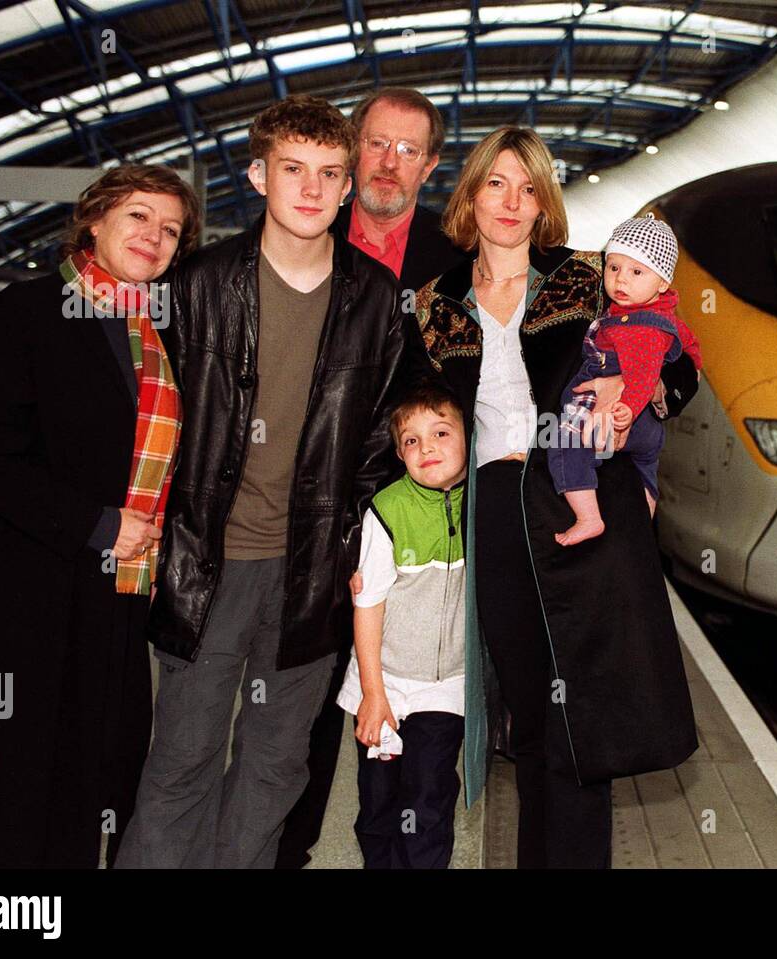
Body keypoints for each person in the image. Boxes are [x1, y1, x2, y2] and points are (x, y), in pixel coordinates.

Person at [115, 94, 427, 869]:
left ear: (351, 187)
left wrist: (359, 545)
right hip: (207, 565)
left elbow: (381, 441)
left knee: (276, 765)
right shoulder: (196, 285)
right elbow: (147, 420)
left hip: (313, 573)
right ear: (258, 176)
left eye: (330, 173)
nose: (313, 190)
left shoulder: (378, 302)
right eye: (293, 170)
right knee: (182, 757)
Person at [414, 126, 701, 868]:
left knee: (582, 724)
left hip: (577, 502)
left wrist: (636, 395)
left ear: (545, 204)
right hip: (493, 511)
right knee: (529, 719)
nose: (513, 202)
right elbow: (413, 414)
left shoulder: (590, 278)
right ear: (471, 193)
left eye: (530, 187)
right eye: (497, 184)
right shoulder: (434, 300)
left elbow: (679, 362)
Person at [0, 164, 199, 868]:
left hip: (116, 590)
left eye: (169, 230)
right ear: (94, 219)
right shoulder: (22, 315)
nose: (153, 237)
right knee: (17, 765)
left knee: (91, 759)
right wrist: (102, 526)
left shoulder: (154, 333)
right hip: (25, 586)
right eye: (138, 217)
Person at [277, 86, 468, 870]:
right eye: (377, 144)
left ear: (429, 164)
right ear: (355, 147)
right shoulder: (305, 236)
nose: (388, 163)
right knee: (302, 709)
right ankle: (287, 848)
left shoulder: (451, 263)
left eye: (408, 149)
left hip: (409, 517)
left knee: (404, 731)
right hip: (306, 514)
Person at [343, 379, 467, 869]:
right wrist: (373, 694)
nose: (427, 447)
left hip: (446, 689)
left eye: (441, 433)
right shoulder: (387, 511)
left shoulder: (484, 504)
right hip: (384, 685)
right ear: (399, 453)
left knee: (430, 798)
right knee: (379, 804)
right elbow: (368, 604)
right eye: (412, 440)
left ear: (468, 438)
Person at [549, 215, 704, 545]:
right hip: (647, 430)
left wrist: (627, 408)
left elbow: (643, 373)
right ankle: (644, 515)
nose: (621, 280)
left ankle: (588, 517)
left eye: (637, 272)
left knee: (565, 442)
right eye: (614, 267)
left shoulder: (637, 326)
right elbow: (690, 347)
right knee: (646, 463)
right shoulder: (658, 313)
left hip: (622, 414)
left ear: (663, 282)